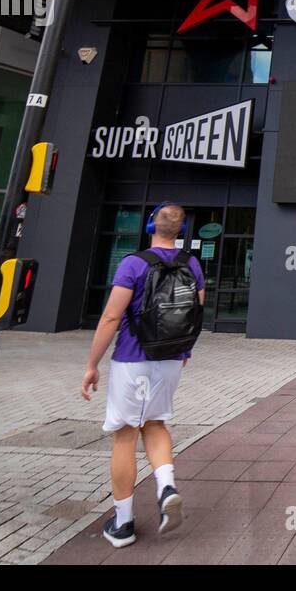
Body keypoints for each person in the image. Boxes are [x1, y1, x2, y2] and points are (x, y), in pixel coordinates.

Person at [80, 203, 204, 548]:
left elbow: (110, 318)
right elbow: (195, 312)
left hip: (133, 360)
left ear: (152, 225)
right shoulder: (192, 264)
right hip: (170, 359)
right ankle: (166, 487)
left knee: (124, 434)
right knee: (156, 424)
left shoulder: (133, 264)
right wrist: (184, 351)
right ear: (180, 230)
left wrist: (92, 365)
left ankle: (122, 523)